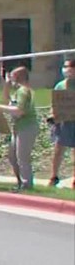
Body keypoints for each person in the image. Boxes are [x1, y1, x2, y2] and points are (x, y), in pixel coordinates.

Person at [0, 66, 38, 191]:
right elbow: (7, 100)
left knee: (22, 157)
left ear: (18, 77)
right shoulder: (18, 91)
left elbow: (20, 111)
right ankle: (20, 182)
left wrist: (0, 108)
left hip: (27, 126)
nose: (10, 79)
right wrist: (6, 86)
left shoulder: (24, 91)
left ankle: (27, 184)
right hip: (18, 127)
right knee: (12, 156)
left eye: (12, 76)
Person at [50, 58, 75, 188]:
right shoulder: (60, 85)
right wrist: (52, 114)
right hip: (62, 122)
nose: (66, 70)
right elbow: (54, 103)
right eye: (65, 67)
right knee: (58, 149)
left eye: (69, 67)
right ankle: (54, 176)